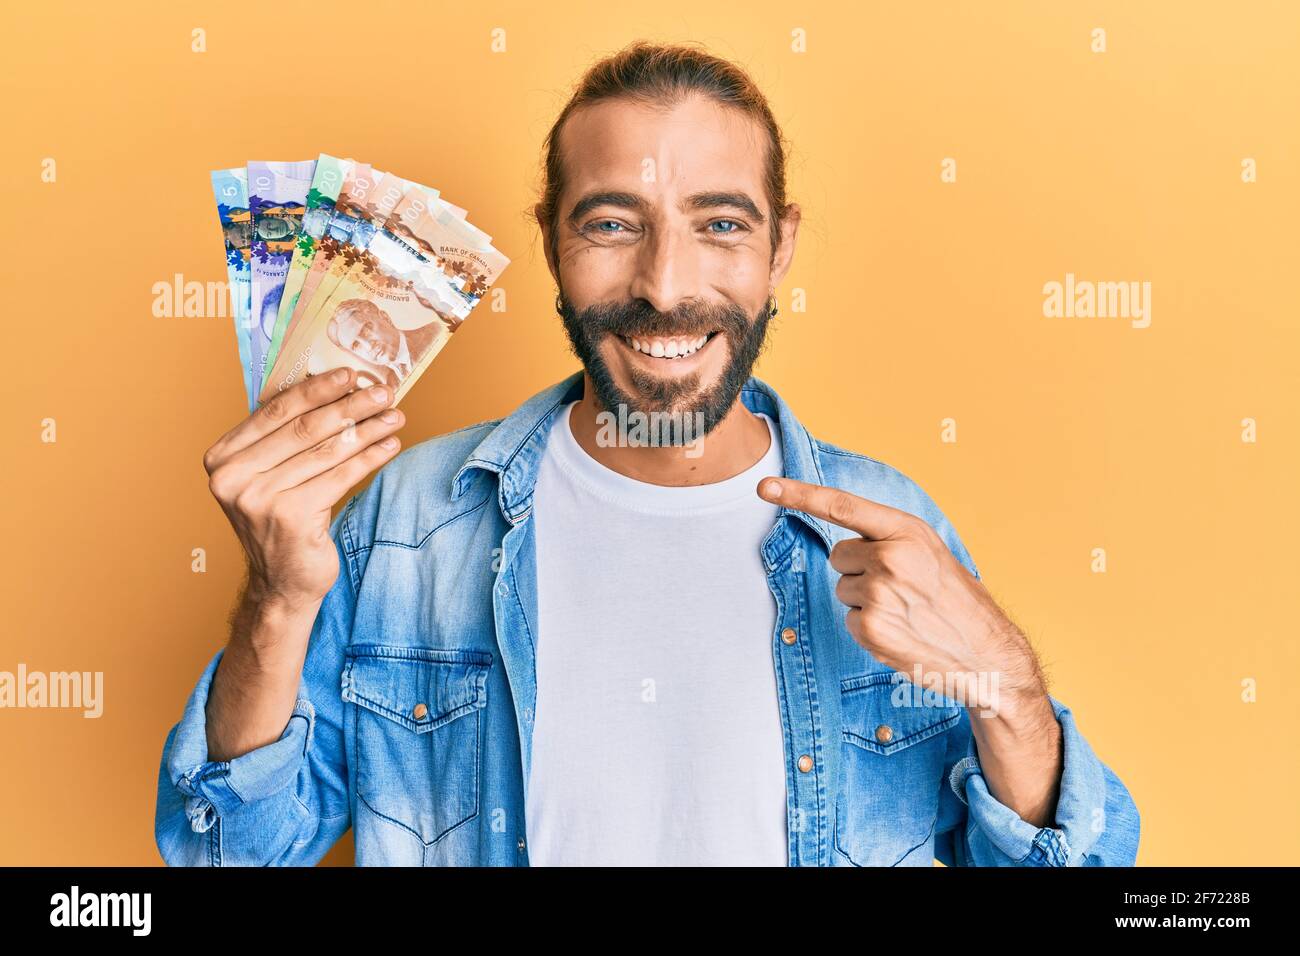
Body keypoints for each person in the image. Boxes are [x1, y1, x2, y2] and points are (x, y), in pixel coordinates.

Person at [156, 41, 1139, 866]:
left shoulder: (891, 527)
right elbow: (226, 856)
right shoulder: (411, 517)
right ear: (550, 242)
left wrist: (1007, 684)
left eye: (720, 225)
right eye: (613, 224)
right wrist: (276, 598)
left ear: (780, 249)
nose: (665, 287)